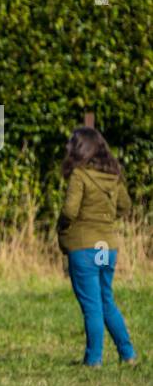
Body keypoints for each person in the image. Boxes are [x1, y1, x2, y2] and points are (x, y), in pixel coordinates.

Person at [58, 127, 137, 367]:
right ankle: (128, 354)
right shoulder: (113, 175)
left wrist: (62, 225)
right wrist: (104, 219)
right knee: (106, 299)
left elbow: (70, 210)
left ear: (79, 148)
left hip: (84, 247)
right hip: (107, 247)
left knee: (92, 305)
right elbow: (125, 205)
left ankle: (93, 360)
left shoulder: (79, 175)